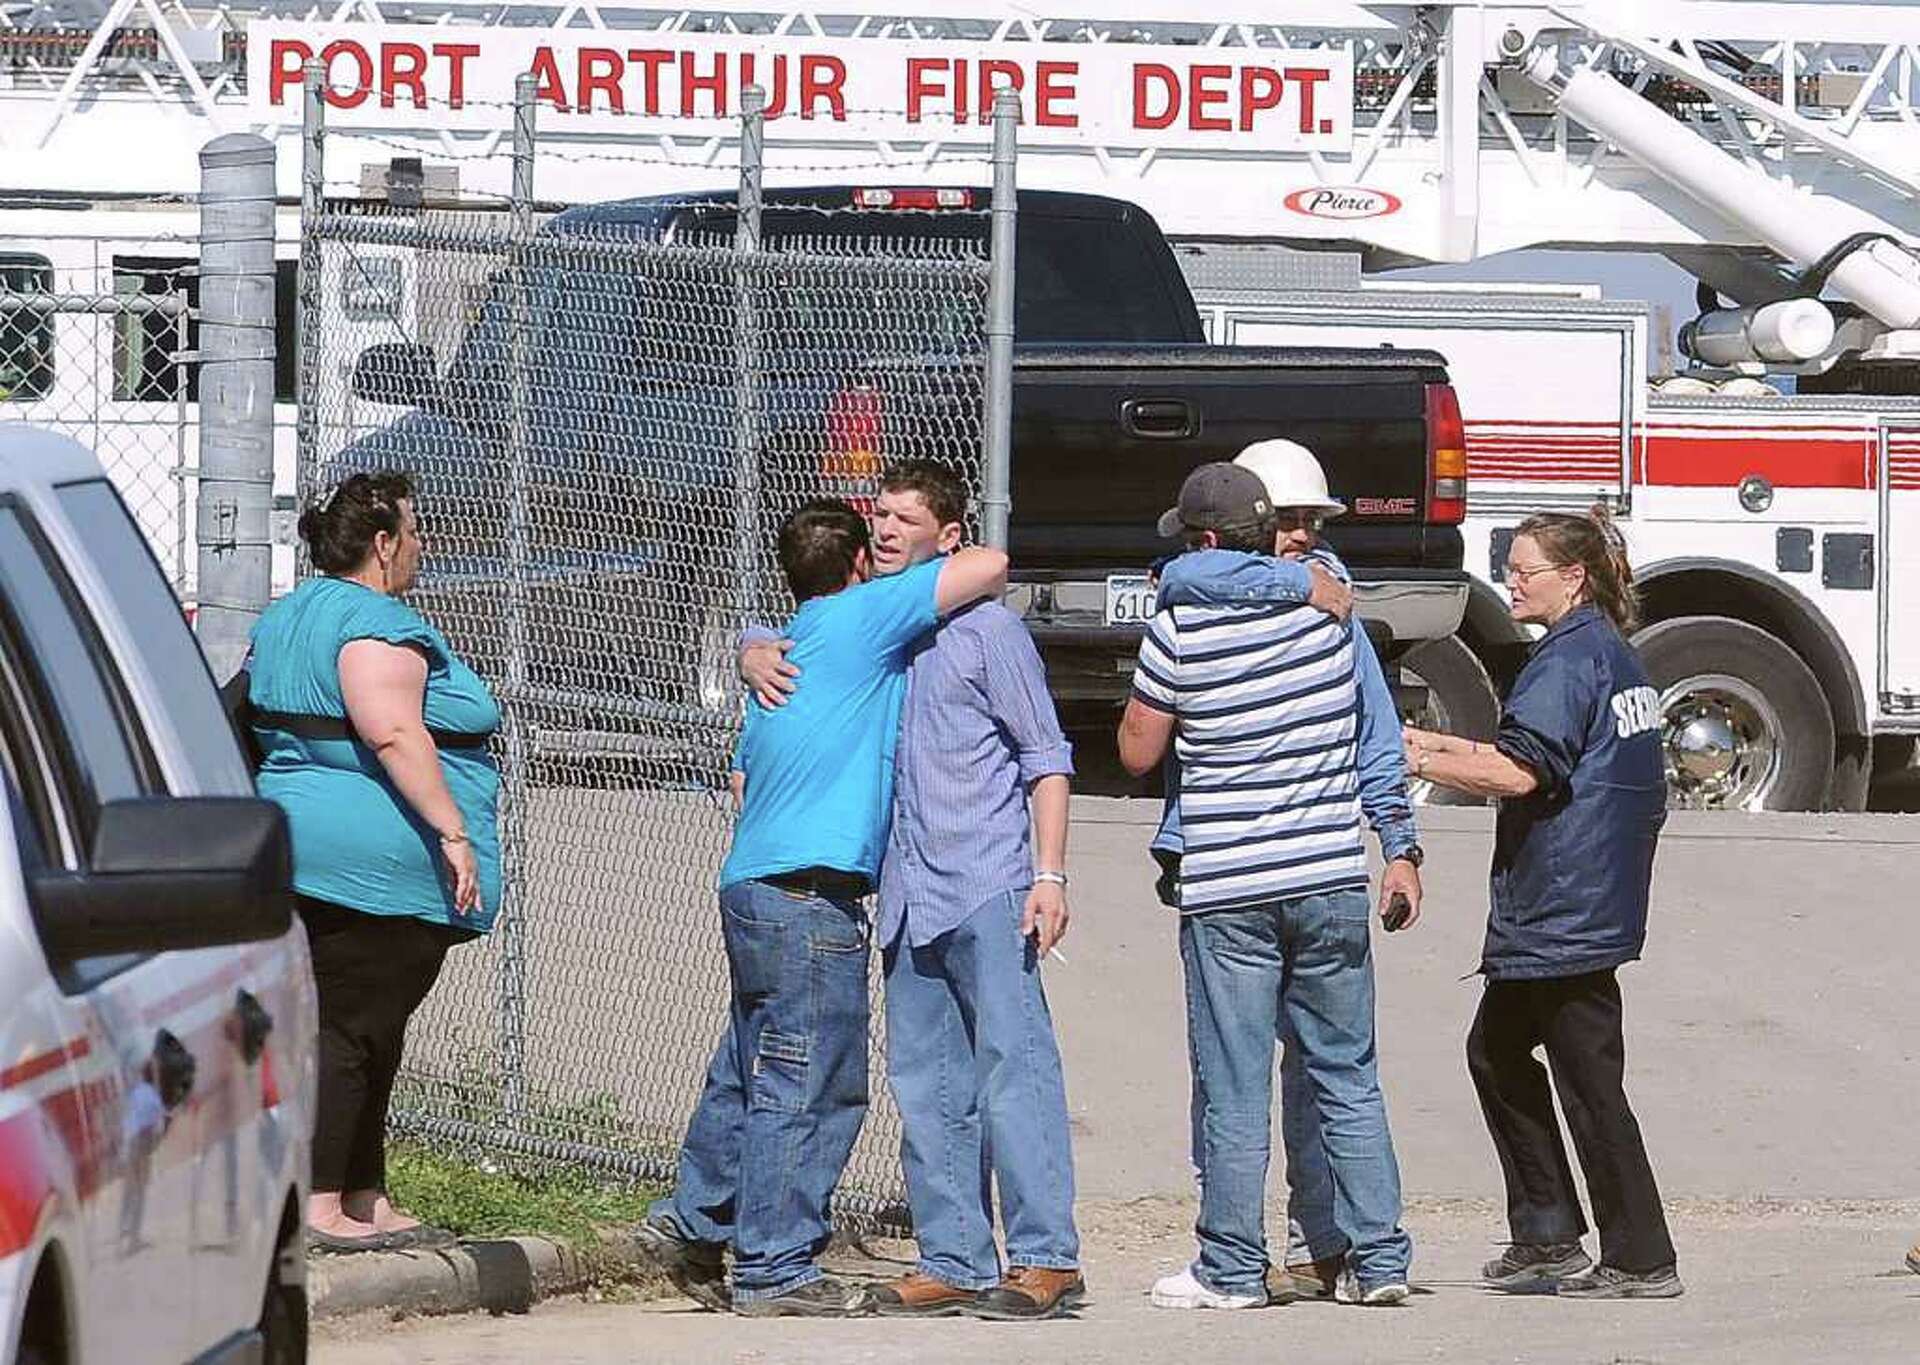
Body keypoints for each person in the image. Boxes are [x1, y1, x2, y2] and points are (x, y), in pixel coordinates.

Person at [638, 499, 1008, 1318]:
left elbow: (742, 780)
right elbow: (991, 565)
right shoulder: (862, 617)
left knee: (750, 1066)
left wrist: (748, 643)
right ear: (857, 568)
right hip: (810, 895)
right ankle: (774, 1263)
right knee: (814, 1083)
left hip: (752, 884)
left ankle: (695, 1219)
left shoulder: (788, 647)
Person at [741, 460, 1084, 1321]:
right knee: (928, 1085)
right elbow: (792, 628)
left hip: (989, 881)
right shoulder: (881, 629)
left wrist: (1049, 875)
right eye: (880, 516)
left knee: (1014, 1068)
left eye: (905, 518)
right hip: (905, 893)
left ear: (949, 537)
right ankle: (954, 1256)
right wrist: (748, 646)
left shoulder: (990, 633)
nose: (886, 530)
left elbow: (1046, 757)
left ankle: (1046, 1256)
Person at [1118, 462, 1415, 1311]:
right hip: (1328, 874)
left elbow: (1137, 752)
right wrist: (1398, 844)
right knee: (1347, 1073)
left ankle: (1231, 1268)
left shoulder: (1179, 630)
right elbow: (1372, 733)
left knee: (1235, 1083)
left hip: (1230, 885)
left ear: (1209, 541)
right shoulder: (1331, 617)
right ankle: (1379, 1259)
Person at [1405, 507, 1681, 1300]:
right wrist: (1426, 743)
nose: (1512, 582)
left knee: (1589, 1082)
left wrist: (1419, 763)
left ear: (1574, 577)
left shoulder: (1567, 661)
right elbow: (1527, 752)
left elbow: (1520, 771)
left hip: (1566, 906)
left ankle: (1640, 1254)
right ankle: (1548, 1232)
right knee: (1497, 1052)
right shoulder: (1610, 654)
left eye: (1525, 570)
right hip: (1582, 899)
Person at [249, 471, 500, 1254]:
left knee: (368, 1027)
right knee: (349, 1029)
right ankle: (323, 1202)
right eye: (415, 530)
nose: (423, 545)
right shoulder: (374, 624)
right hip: (372, 867)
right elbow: (391, 729)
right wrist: (452, 830)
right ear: (384, 543)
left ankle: (365, 1194)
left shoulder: (288, 612)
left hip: (300, 847)